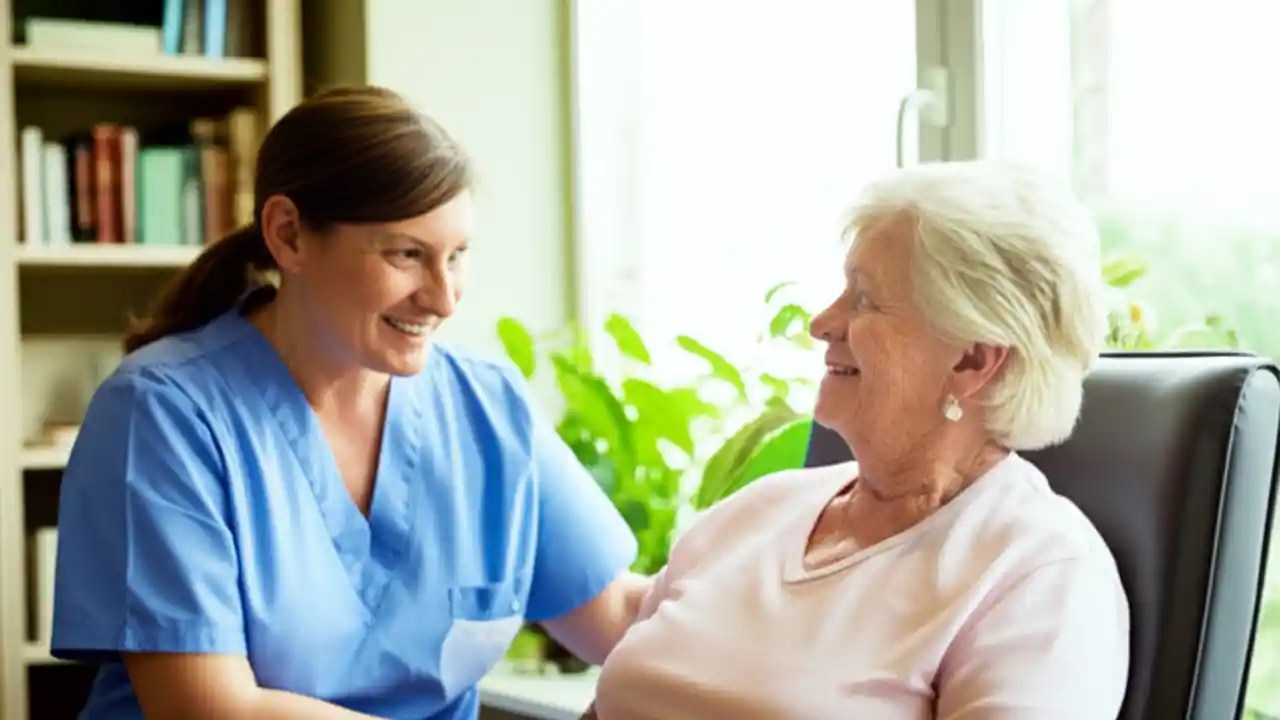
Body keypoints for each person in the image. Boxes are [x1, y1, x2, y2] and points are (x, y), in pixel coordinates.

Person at [51, 85, 649, 720]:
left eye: (458, 257)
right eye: (407, 255)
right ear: (289, 236)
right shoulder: (163, 413)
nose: (444, 299)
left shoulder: (487, 407)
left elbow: (611, 613)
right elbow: (208, 708)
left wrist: (750, 591)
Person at [589, 161, 1130, 718]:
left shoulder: (1040, 571)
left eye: (865, 300)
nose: (821, 322)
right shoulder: (758, 511)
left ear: (971, 360)